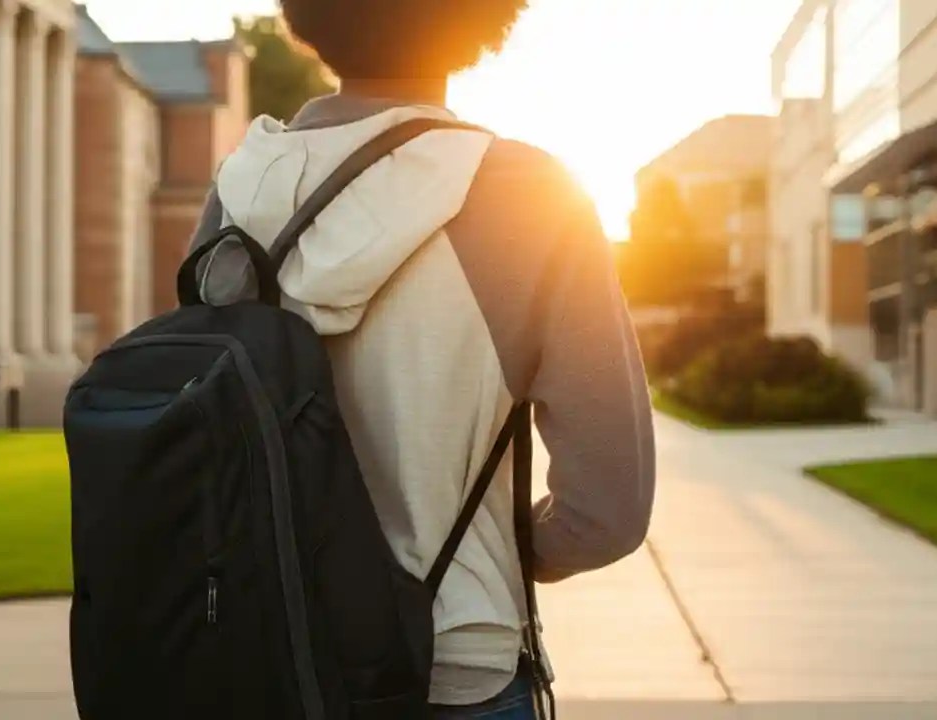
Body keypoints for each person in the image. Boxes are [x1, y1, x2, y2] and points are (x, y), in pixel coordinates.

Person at [187, 1, 656, 717]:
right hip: (455, 656)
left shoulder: (240, 188)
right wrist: (502, 558)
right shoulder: (531, 196)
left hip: (270, 654)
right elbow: (608, 513)